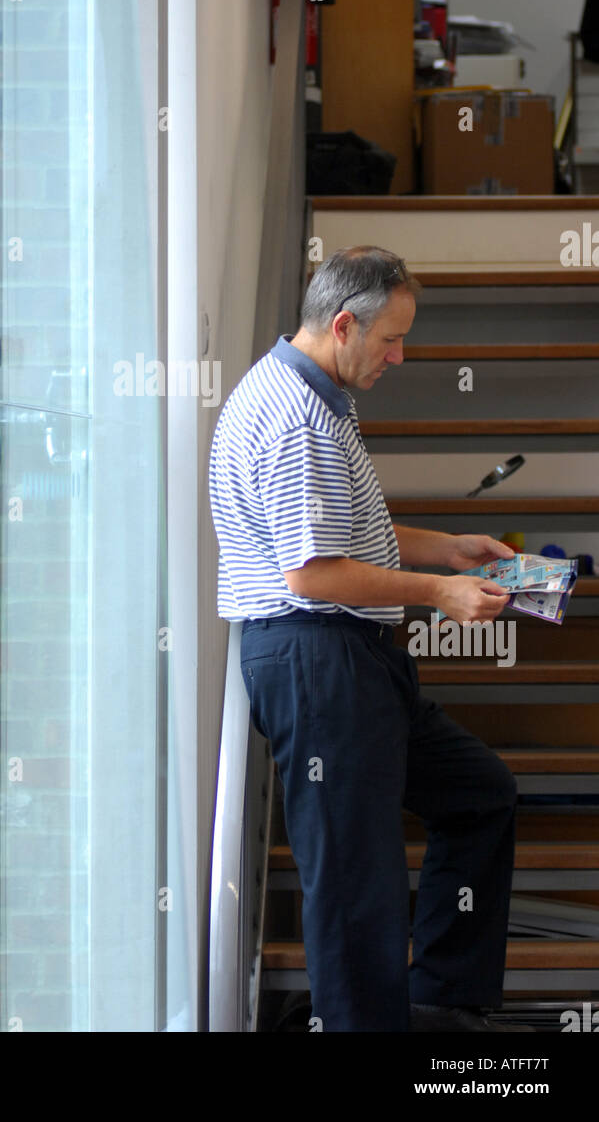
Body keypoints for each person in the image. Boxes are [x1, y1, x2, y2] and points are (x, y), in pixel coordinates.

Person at [208, 246, 534, 1033]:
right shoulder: (294, 419)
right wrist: (438, 594)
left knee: (478, 794)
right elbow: (313, 573)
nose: (399, 355)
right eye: (389, 339)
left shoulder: (314, 400)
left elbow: (342, 536)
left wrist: (446, 549)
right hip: (319, 659)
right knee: (354, 880)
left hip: (348, 661)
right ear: (343, 323)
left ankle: (436, 998)